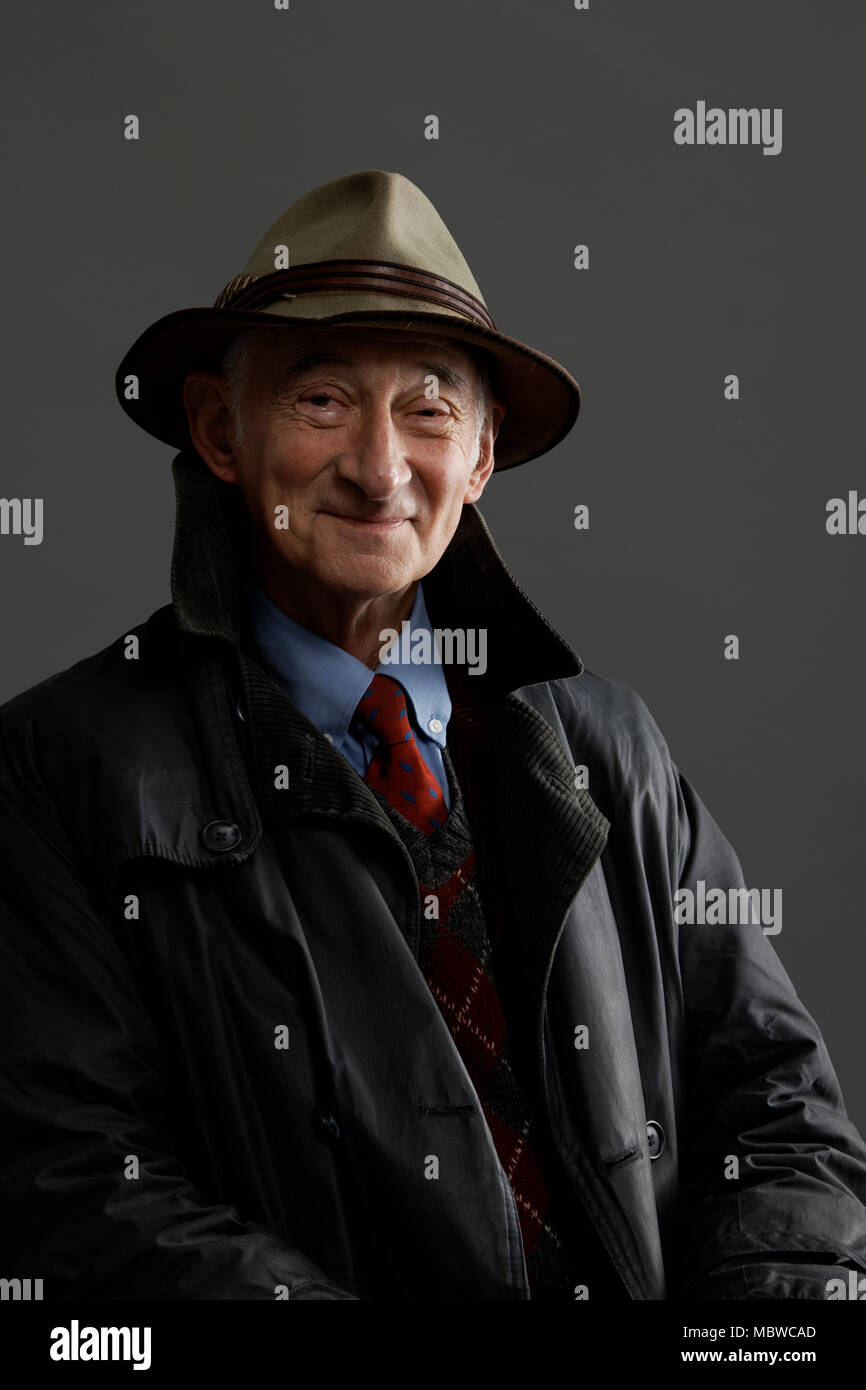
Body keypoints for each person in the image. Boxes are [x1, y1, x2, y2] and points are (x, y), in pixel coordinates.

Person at [1, 169, 864, 1302]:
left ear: (483, 454)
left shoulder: (609, 747)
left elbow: (779, 1105)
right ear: (220, 429)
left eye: (427, 407)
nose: (379, 467)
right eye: (320, 401)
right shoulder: (60, 767)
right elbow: (75, 1179)